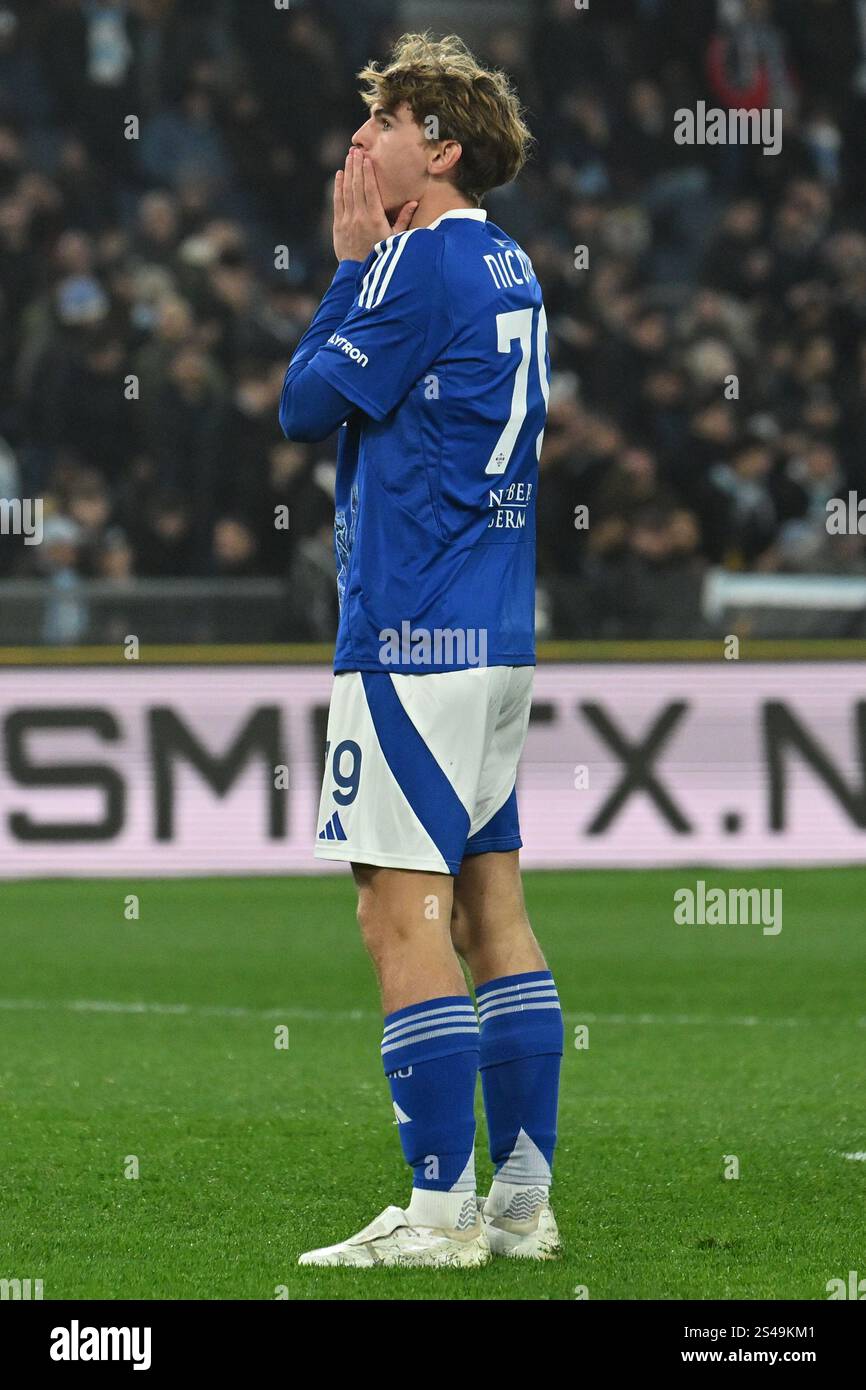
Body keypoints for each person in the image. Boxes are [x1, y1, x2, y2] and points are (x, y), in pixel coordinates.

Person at [280, 31, 563, 1269]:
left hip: (411, 640)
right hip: (497, 634)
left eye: (383, 123)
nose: (360, 143)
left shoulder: (416, 262)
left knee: (400, 911)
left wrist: (347, 268)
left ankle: (440, 1213)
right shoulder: (512, 266)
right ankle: (519, 1204)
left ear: (437, 148)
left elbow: (302, 403)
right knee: (491, 901)